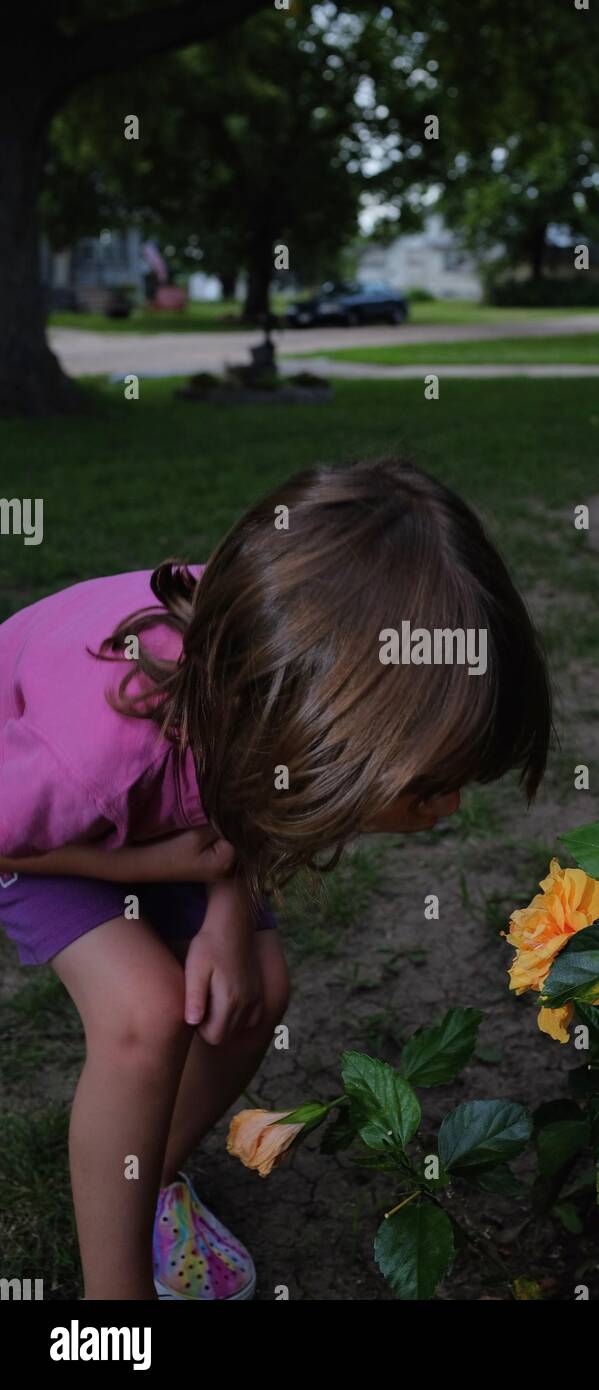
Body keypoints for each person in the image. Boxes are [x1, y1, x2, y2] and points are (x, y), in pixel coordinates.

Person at [0, 456, 552, 1300]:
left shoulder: (281, 662)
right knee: (145, 1014)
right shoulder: (81, 760)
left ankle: (140, 1180)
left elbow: (247, 788)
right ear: (321, 734)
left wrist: (225, 899)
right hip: (51, 831)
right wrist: (144, 865)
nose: (445, 813)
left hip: (184, 816)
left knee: (255, 990)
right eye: (431, 789)